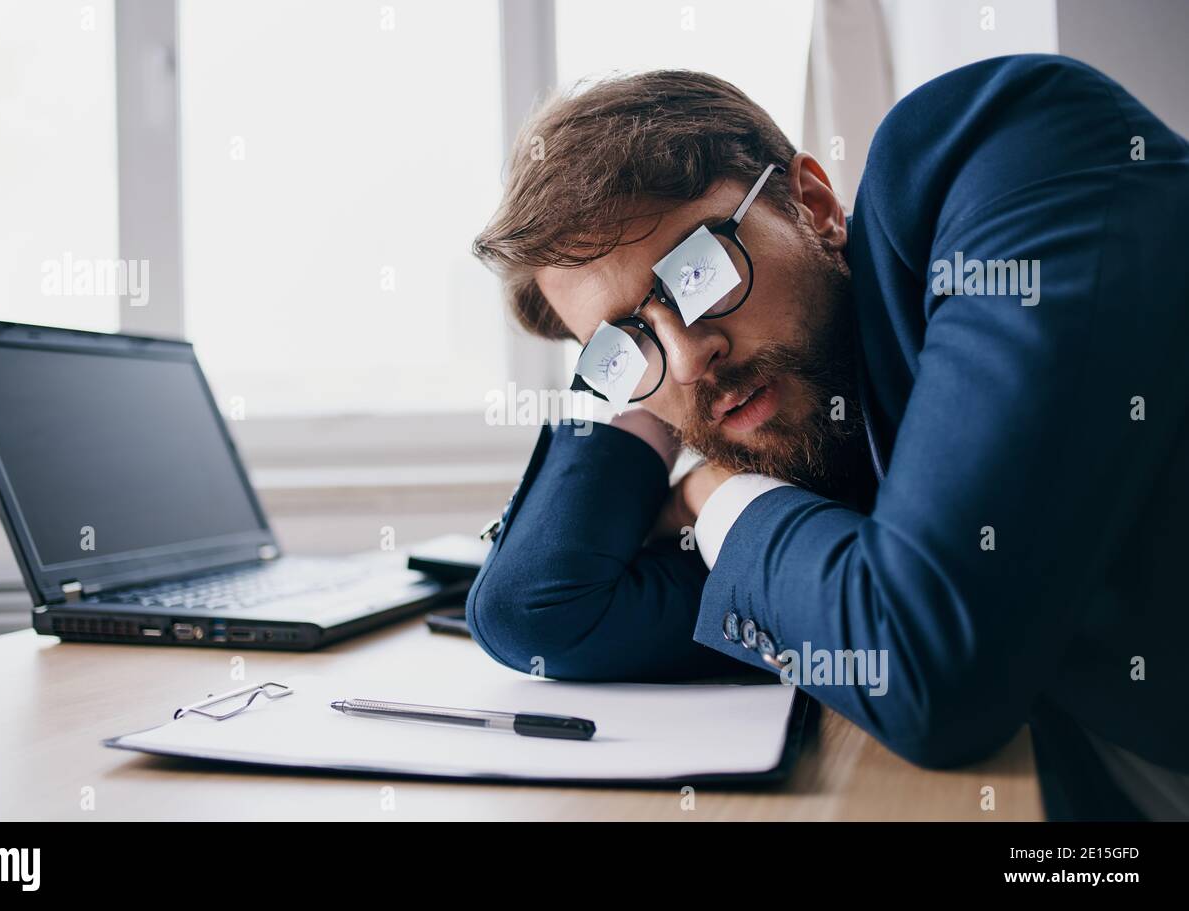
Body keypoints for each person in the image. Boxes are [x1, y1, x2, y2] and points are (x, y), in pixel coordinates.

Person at [467, 55, 1189, 820]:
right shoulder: (811, 441)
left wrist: (721, 496)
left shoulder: (991, 146)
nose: (689, 355)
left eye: (699, 271)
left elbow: (930, 667)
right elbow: (537, 608)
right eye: (623, 346)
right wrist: (626, 358)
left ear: (812, 204)